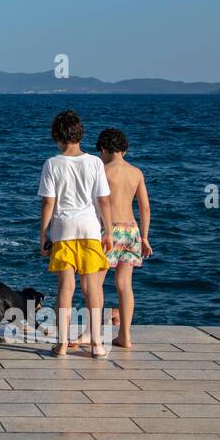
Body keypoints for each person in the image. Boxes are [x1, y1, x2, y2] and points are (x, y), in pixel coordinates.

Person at [39, 110, 113, 359]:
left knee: (65, 288)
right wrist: (109, 232)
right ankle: (97, 345)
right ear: (80, 134)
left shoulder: (52, 163)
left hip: (63, 231)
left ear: (57, 136)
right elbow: (104, 201)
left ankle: (61, 345)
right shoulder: (95, 163)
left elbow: (48, 203)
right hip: (91, 229)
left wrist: (42, 234)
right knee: (92, 289)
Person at [90, 128, 152, 350]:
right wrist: (144, 237)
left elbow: (95, 204)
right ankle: (125, 336)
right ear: (124, 150)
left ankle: (93, 334)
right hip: (131, 231)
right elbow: (145, 208)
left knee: (96, 284)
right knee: (125, 285)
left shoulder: (103, 171)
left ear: (104, 150)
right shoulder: (136, 172)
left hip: (109, 230)